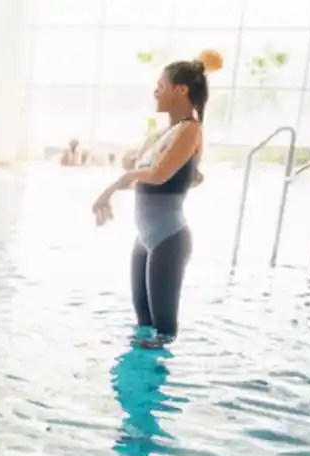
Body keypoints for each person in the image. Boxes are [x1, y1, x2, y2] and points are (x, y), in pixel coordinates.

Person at [92, 49, 222, 348]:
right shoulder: (168, 132)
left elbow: (158, 175)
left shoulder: (191, 129)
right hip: (145, 237)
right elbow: (143, 169)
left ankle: (156, 389)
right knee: (143, 329)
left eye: (160, 86)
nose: (155, 92)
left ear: (181, 90)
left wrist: (112, 188)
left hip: (168, 237)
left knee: (163, 334)